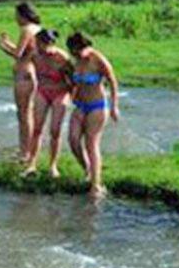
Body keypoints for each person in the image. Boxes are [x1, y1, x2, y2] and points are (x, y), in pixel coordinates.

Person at [65, 32, 120, 198]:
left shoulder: (98, 60)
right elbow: (74, 82)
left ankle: (96, 186)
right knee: (73, 140)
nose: (75, 55)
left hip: (97, 106)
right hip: (80, 105)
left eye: (76, 51)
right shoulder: (76, 61)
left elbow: (113, 81)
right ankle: (88, 170)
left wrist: (114, 107)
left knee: (91, 143)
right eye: (72, 52)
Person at [0, 2, 42, 166]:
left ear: (23, 15)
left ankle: (25, 153)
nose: (15, 19)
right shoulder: (36, 28)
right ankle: (27, 151)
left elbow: (18, 54)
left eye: (16, 15)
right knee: (27, 113)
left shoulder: (26, 29)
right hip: (31, 73)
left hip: (24, 75)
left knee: (24, 115)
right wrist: (8, 42)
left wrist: (2, 46)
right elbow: (25, 51)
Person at [24, 28, 73, 177]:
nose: (40, 48)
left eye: (43, 44)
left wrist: (74, 96)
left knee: (55, 130)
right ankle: (31, 164)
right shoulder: (35, 56)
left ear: (51, 43)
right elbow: (19, 58)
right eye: (38, 44)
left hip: (60, 93)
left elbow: (74, 79)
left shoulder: (62, 58)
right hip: (42, 92)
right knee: (37, 128)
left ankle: (53, 166)